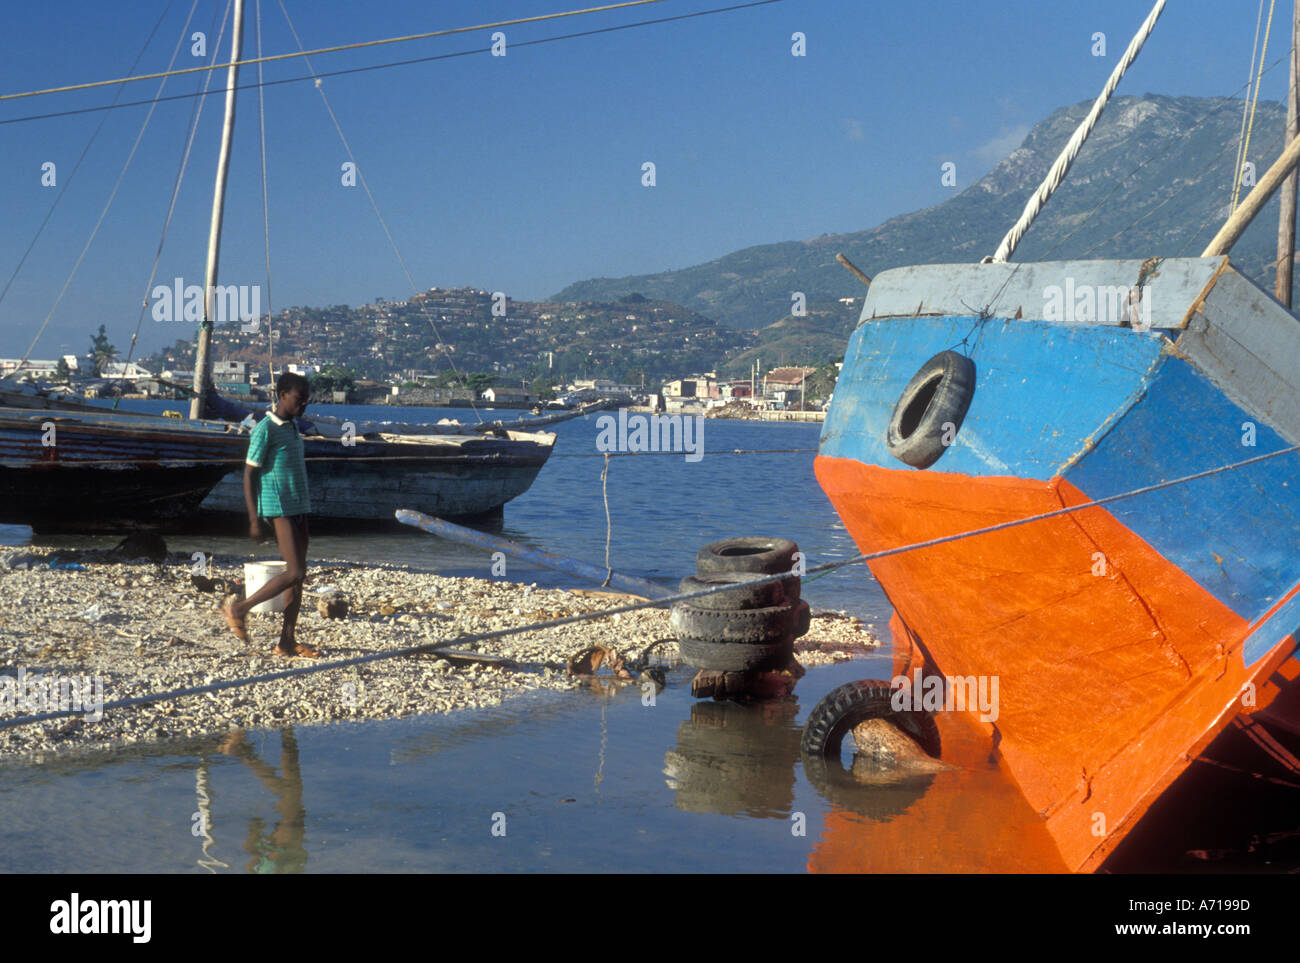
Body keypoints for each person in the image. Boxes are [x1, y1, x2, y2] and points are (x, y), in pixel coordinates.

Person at [220, 372, 319, 658]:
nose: (304, 406)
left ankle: (286, 642)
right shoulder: (265, 429)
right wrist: (253, 519)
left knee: (298, 578)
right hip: (279, 507)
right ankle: (239, 608)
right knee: (295, 571)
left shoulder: (291, 426)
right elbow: (250, 473)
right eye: (299, 400)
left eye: (306, 401)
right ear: (282, 396)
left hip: (299, 506)